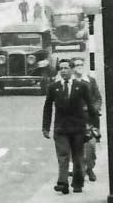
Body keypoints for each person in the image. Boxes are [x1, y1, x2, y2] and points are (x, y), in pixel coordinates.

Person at [42, 60, 99, 194]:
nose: (63, 71)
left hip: (78, 128)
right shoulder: (54, 87)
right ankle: (63, 183)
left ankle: (77, 183)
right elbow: (48, 108)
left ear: (72, 70)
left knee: (78, 156)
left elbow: (90, 106)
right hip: (61, 128)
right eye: (61, 68)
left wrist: (94, 126)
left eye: (66, 68)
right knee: (63, 155)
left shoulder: (81, 86)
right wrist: (45, 127)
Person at [71, 58, 104, 182]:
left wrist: (94, 109)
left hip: (91, 120)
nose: (79, 67)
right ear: (72, 68)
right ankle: (81, 171)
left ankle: (90, 168)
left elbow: (98, 98)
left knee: (91, 146)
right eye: (76, 65)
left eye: (81, 64)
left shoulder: (91, 81)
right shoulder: (69, 82)